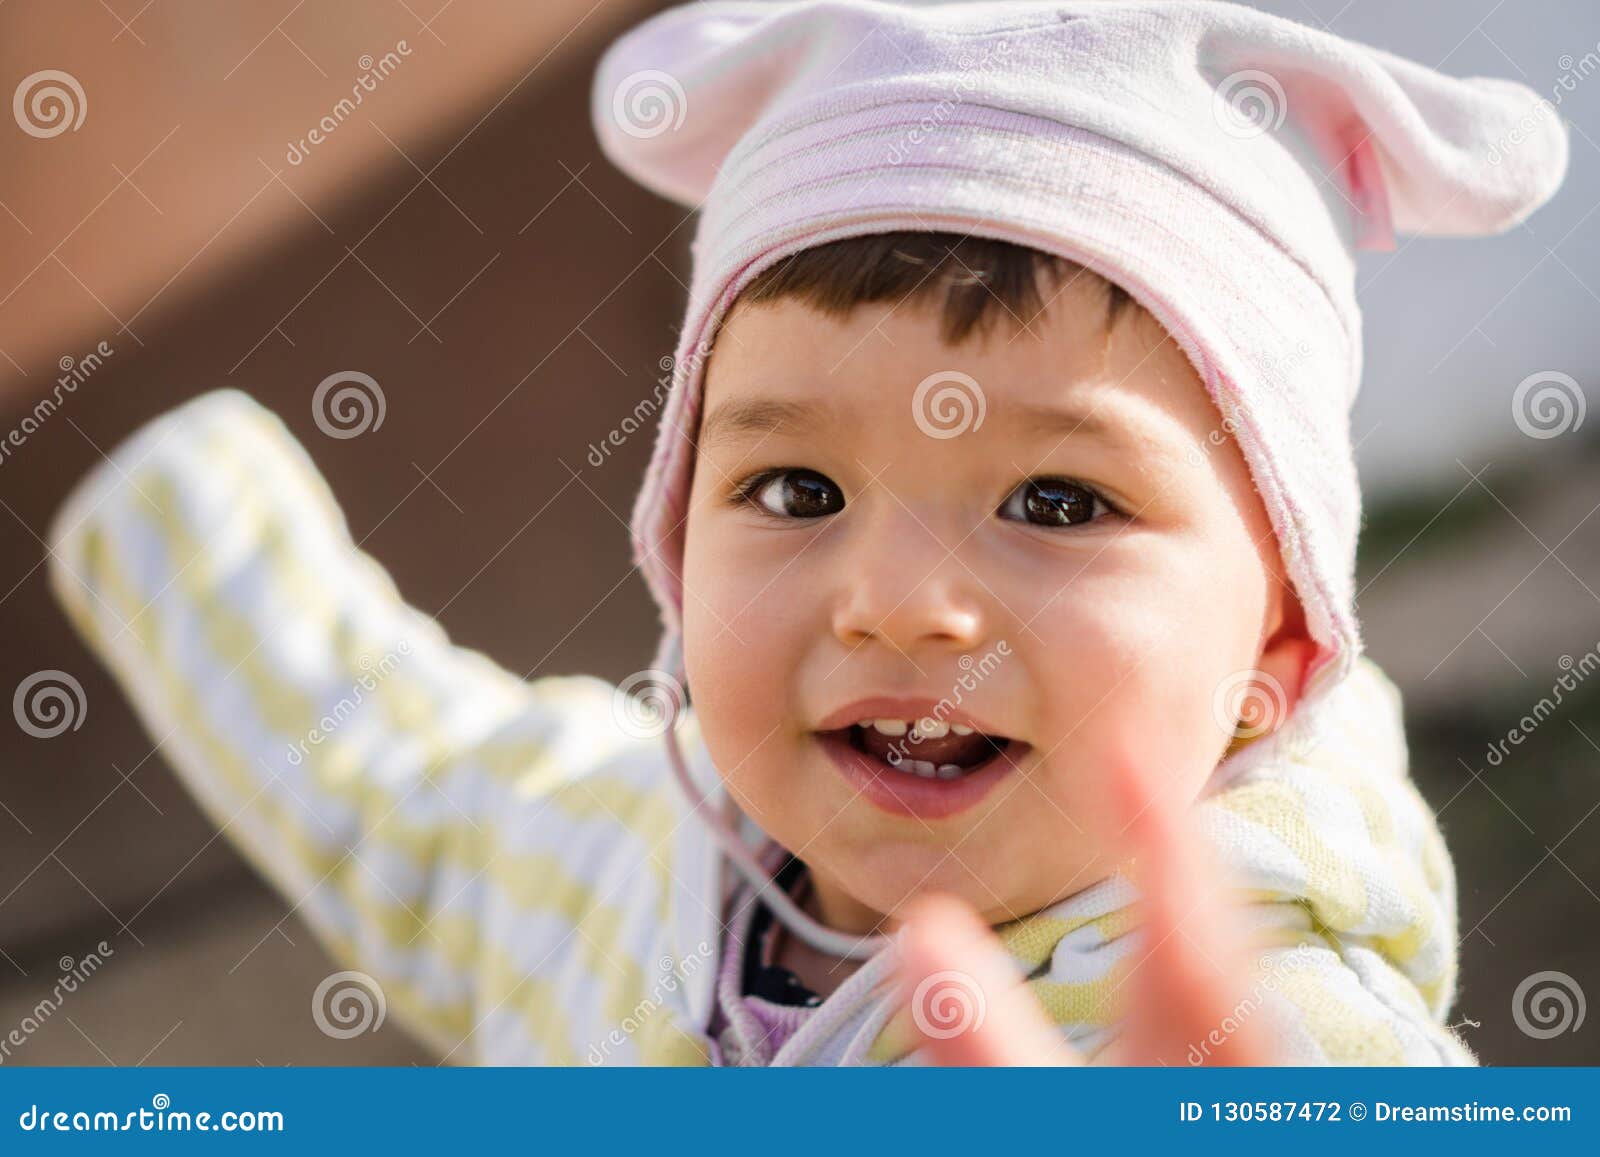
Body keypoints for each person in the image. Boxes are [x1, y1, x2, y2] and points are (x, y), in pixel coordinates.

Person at [47, 0, 1567, 1065]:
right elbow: (404, 793)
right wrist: (188, 531)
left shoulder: (1265, 1032)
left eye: (1058, 502)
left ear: (1283, 643)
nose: (896, 602)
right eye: (796, 490)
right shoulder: (610, 866)